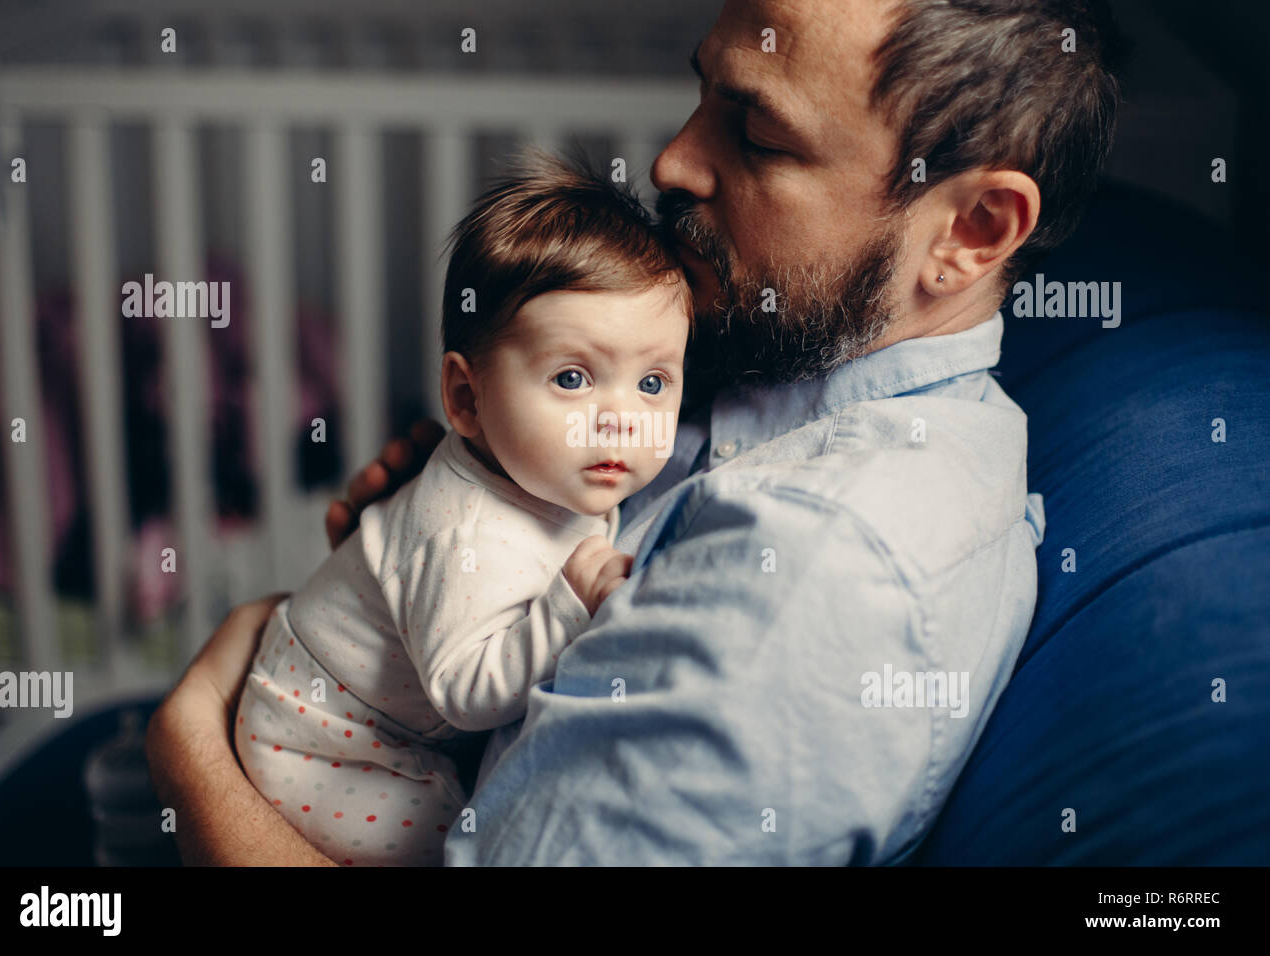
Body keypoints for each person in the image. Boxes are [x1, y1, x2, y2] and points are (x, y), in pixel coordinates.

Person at [146, 0, 1125, 865]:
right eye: (703, 96)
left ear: (973, 230)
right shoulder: (772, 367)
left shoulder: (807, 575)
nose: (671, 160)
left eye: (760, 136)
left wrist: (189, 749)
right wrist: (424, 564)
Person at [232, 153, 692, 866]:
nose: (621, 420)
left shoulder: (559, 474)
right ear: (466, 399)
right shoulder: (466, 532)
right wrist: (570, 605)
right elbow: (466, 696)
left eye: (654, 381)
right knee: (469, 842)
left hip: (372, 720)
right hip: (321, 741)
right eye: (573, 377)